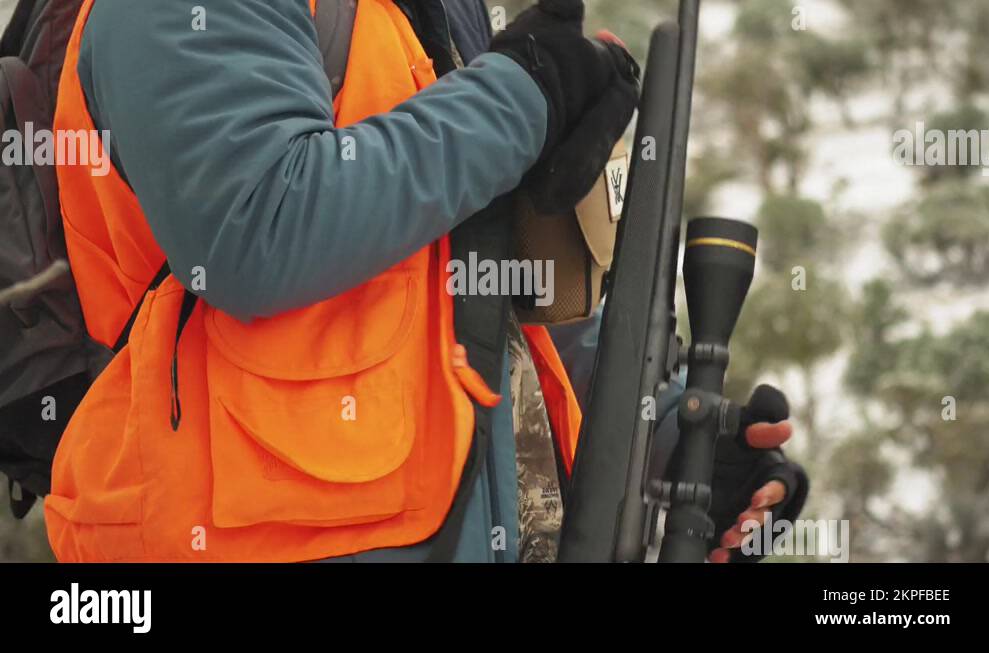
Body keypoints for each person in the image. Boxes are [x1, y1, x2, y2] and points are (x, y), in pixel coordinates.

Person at [46, 0, 803, 563]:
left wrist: (671, 435)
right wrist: (522, 94)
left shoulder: (434, 12)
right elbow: (256, 226)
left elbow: (477, 291)